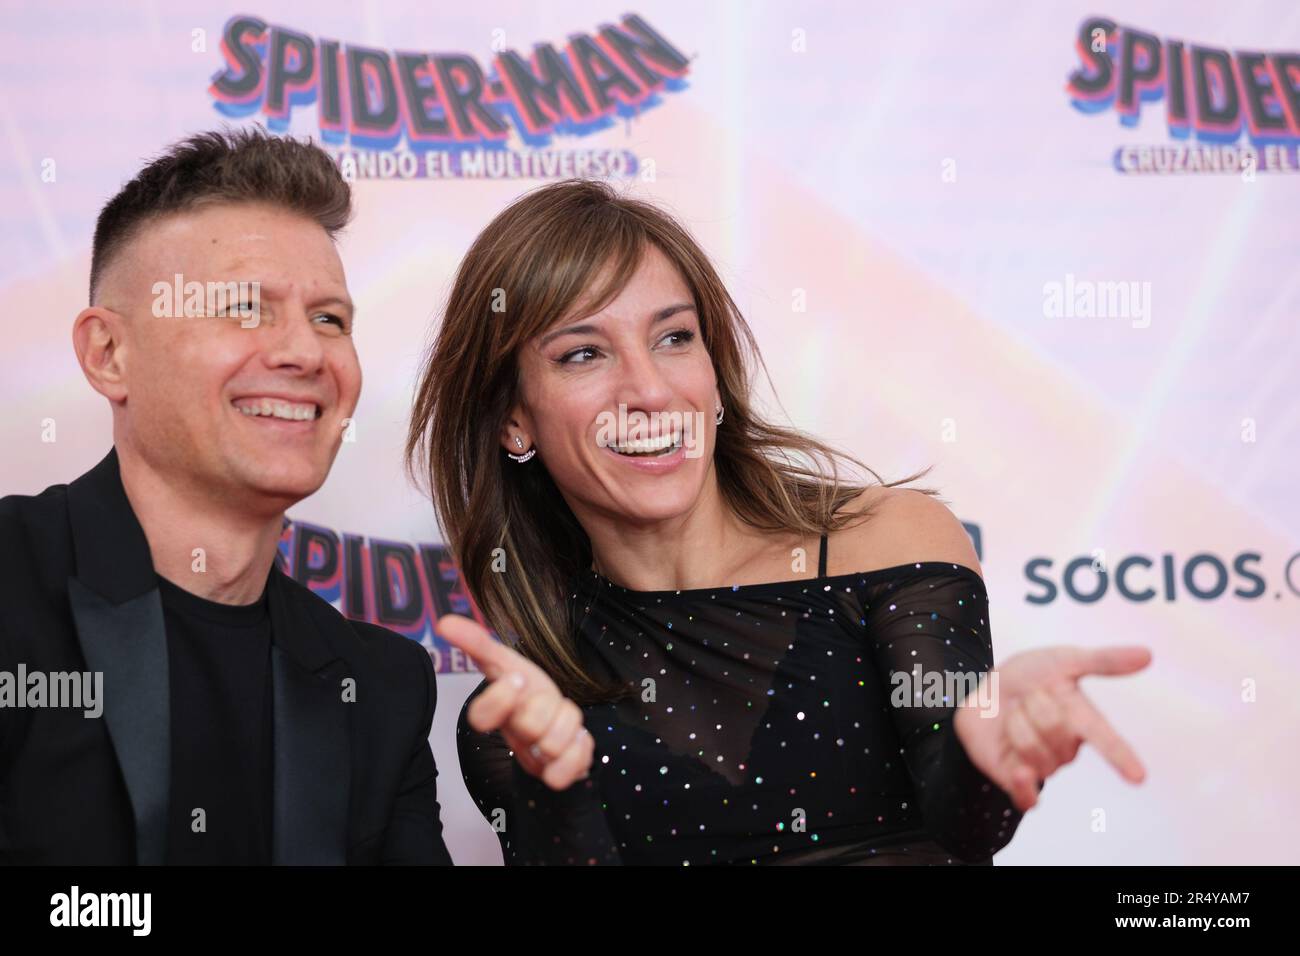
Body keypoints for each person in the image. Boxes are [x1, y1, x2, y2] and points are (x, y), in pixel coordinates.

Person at [408, 179, 1152, 865]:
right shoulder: (523, 719)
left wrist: (993, 753)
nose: (651, 389)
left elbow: (966, 820)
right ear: (513, 422)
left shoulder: (891, 541)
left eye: (674, 337)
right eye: (583, 354)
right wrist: (556, 798)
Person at [0, 127, 592, 865]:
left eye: (328, 320)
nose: (305, 352)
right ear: (108, 354)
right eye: (245, 308)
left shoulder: (379, 687)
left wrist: (558, 817)